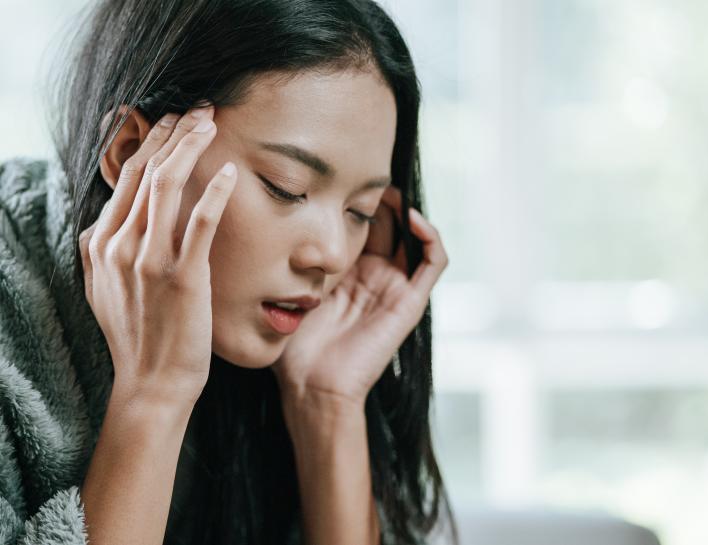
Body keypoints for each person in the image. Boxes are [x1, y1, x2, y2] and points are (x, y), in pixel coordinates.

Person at [0, 0, 457, 544]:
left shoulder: (276, 362)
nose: (333, 255)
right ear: (130, 152)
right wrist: (153, 395)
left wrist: (326, 406)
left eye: (359, 211)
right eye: (286, 187)